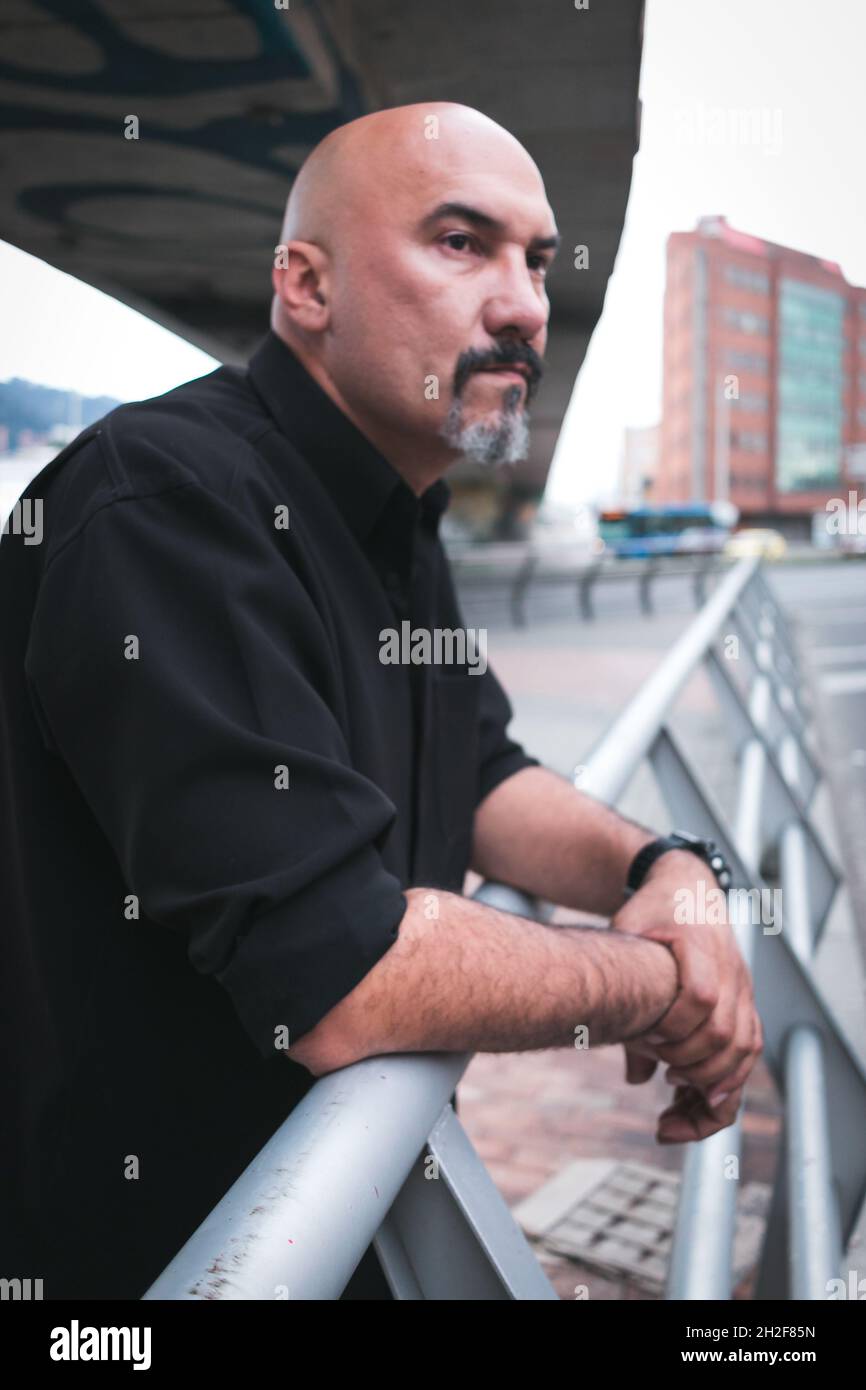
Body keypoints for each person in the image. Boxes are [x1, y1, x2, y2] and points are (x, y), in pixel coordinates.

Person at [0, 102, 762, 1300]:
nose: (521, 303)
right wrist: (665, 981)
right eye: (461, 242)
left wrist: (665, 869)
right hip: (154, 1264)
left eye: (533, 257)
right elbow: (343, 976)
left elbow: (484, 771)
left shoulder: (396, 506)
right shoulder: (165, 503)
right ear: (304, 285)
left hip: (350, 1219)